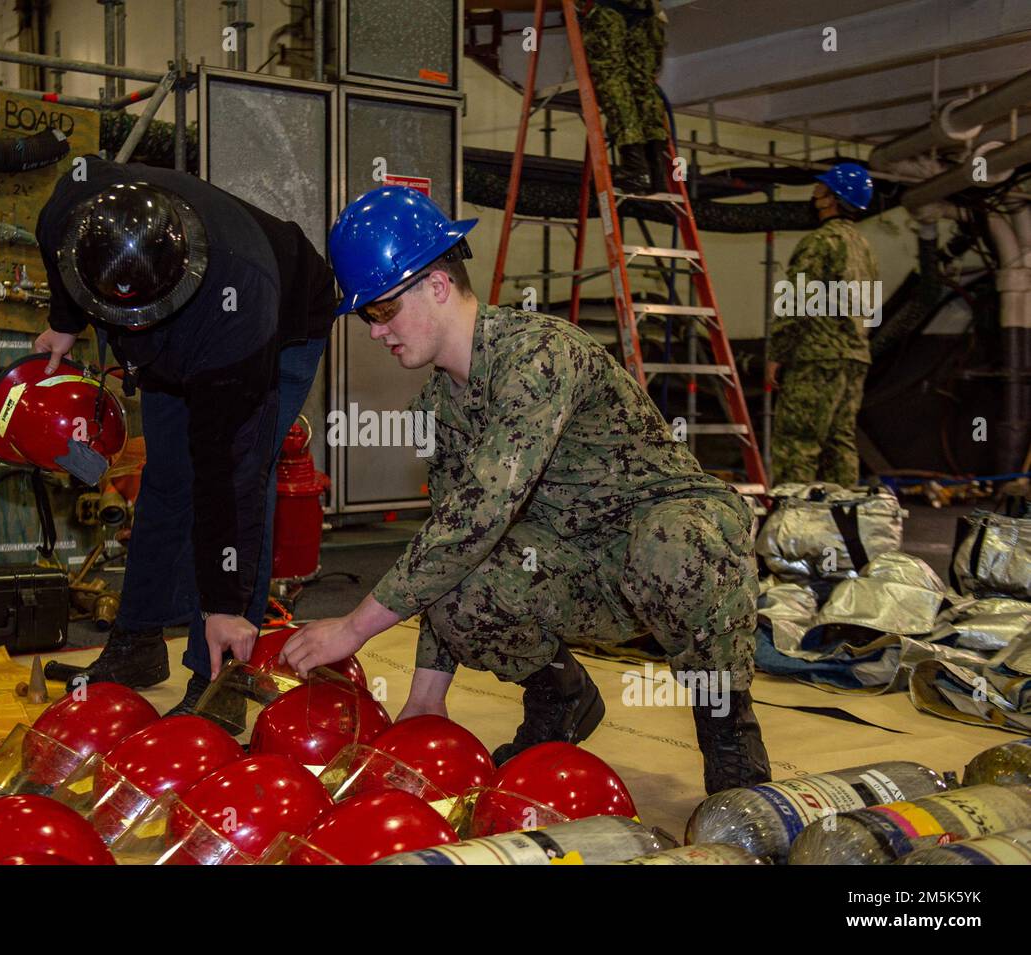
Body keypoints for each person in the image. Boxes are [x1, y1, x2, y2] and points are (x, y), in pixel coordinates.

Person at [282, 186, 770, 794]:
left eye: (380, 310)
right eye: (366, 317)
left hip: (670, 548)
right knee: (460, 587)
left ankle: (729, 736)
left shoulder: (540, 355)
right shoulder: (439, 406)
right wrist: (425, 698)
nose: (376, 333)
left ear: (437, 285)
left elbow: (482, 513)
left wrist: (355, 627)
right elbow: (449, 542)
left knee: (673, 544)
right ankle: (560, 696)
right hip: (580, 568)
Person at [33, 155, 337, 715]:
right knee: (169, 475)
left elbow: (232, 478)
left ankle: (221, 672)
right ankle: (137, 643)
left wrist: (222, 601)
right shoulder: (71, 214)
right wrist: (66, 322)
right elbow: (54, 249)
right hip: (182, 325)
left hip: (284, 320)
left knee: (235, 477)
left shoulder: (236, 312)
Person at [767, 162, 878, 488]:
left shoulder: (820, 242)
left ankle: (791, 525)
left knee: (797, 442)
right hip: (855, 359)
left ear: (831, 198)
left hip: (817, 358)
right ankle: (843, 519)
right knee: (839, 442)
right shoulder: (864, 247)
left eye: (821, 188)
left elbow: (798, 300)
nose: (815, 194)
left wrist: (778, 352)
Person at [581, 0, 670, 194]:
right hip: (646, 13)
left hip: (609, 11)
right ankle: (656, 173)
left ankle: (635, 168)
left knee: (612, 81)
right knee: (643, 86)